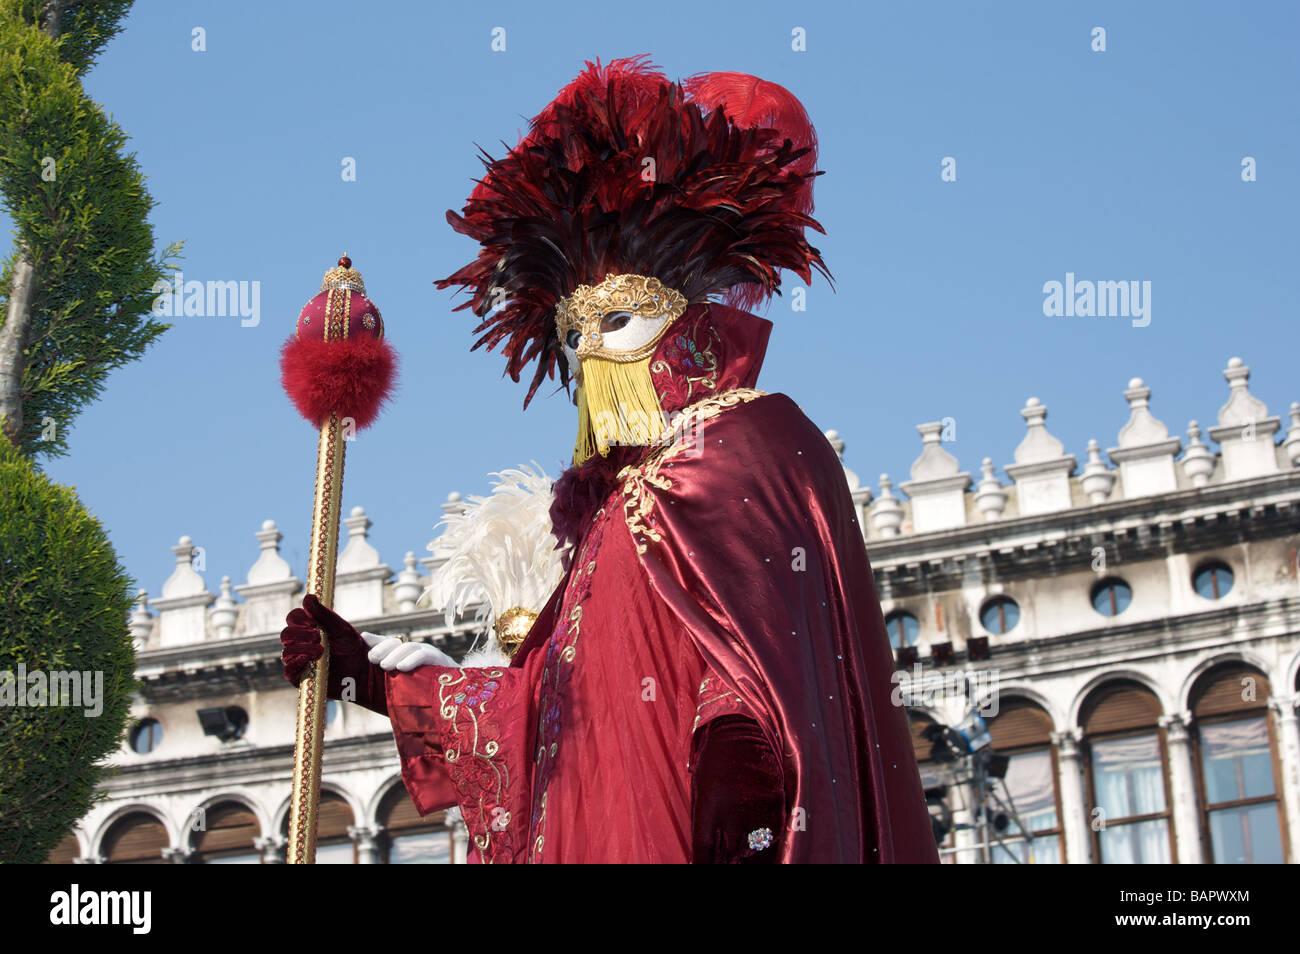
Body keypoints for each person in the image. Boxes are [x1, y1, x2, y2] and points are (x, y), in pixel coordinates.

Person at [282, 57, 938, 864]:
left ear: (686, 315)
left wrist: (744, 795)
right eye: (571, 335)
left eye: (617, 320)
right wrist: (376, 682)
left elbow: (761, 676)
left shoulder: (752, 443)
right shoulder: (607, 523)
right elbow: (546, 726)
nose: (592, 354)